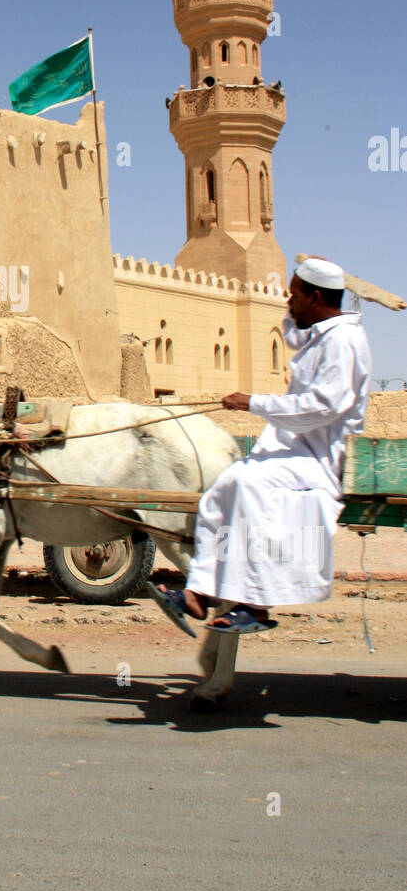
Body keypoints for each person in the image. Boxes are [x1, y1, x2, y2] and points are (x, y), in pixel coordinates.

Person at [148, 257, 373, 635]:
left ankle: (256, 604)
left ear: (316, 298)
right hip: (294, 451)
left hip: (319, 456)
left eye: (294, 295)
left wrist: (254, 403)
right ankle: (200, 592)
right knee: (224, 487)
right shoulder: (321, 333)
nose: (289, 301)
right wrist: (287, 310)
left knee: (252, 487)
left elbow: (323, 406)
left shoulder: (344, 341)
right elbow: (293, 331)